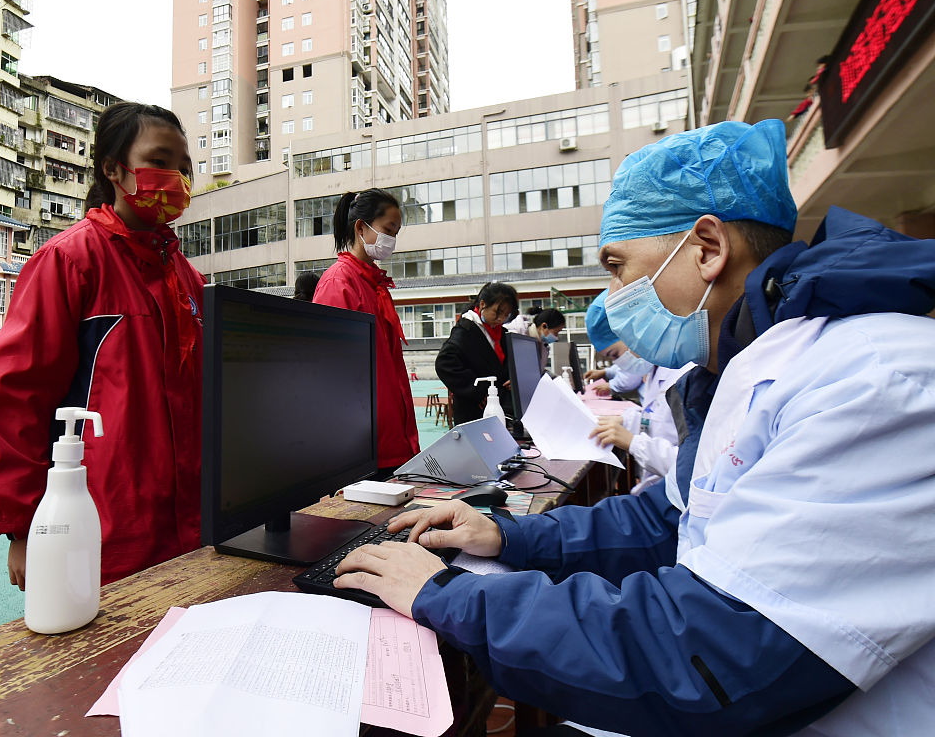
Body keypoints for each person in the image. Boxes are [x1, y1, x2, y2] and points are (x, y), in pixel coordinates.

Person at [332, 119, 935, 735]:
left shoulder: (870, 379)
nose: (612, 295)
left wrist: (446, 594)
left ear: (707, 248)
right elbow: (666, 521)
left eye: (618, 267)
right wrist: (508, 537)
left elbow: (708, 654)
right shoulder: (756, 369)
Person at [0, 102, 205, 588]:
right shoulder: (69, 261)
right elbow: (13, 396)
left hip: (191, 523)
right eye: (159, 161)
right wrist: (23, 525)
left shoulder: (187, 277)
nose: (176, 178)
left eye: (184, 167)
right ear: (114, 168)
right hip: (103, 523)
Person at [312, 188, 419, 479]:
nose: (392, 241)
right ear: (362, 227)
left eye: (396, 233)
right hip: (364, 445)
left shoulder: (375, 284)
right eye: (388, 230)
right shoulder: (339, 283)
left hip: (389, 437)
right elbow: (333, 375)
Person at [582, 292, 690, 493]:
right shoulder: (657, 371)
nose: (619, 363)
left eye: (615, 354)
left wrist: (632, 442)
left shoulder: (682, 377)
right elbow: (653, 418)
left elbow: (694, 467)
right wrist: (623, 421)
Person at [435, 282, 519, 425]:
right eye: (498, 312)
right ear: (482, 304)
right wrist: (480, 392)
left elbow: (504, 364)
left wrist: (513, 377)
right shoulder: (466, 330)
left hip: (500, 407)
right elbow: (445, 364)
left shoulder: (501, 333)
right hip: (474, 411)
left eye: (506, 314)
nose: (501, 319)